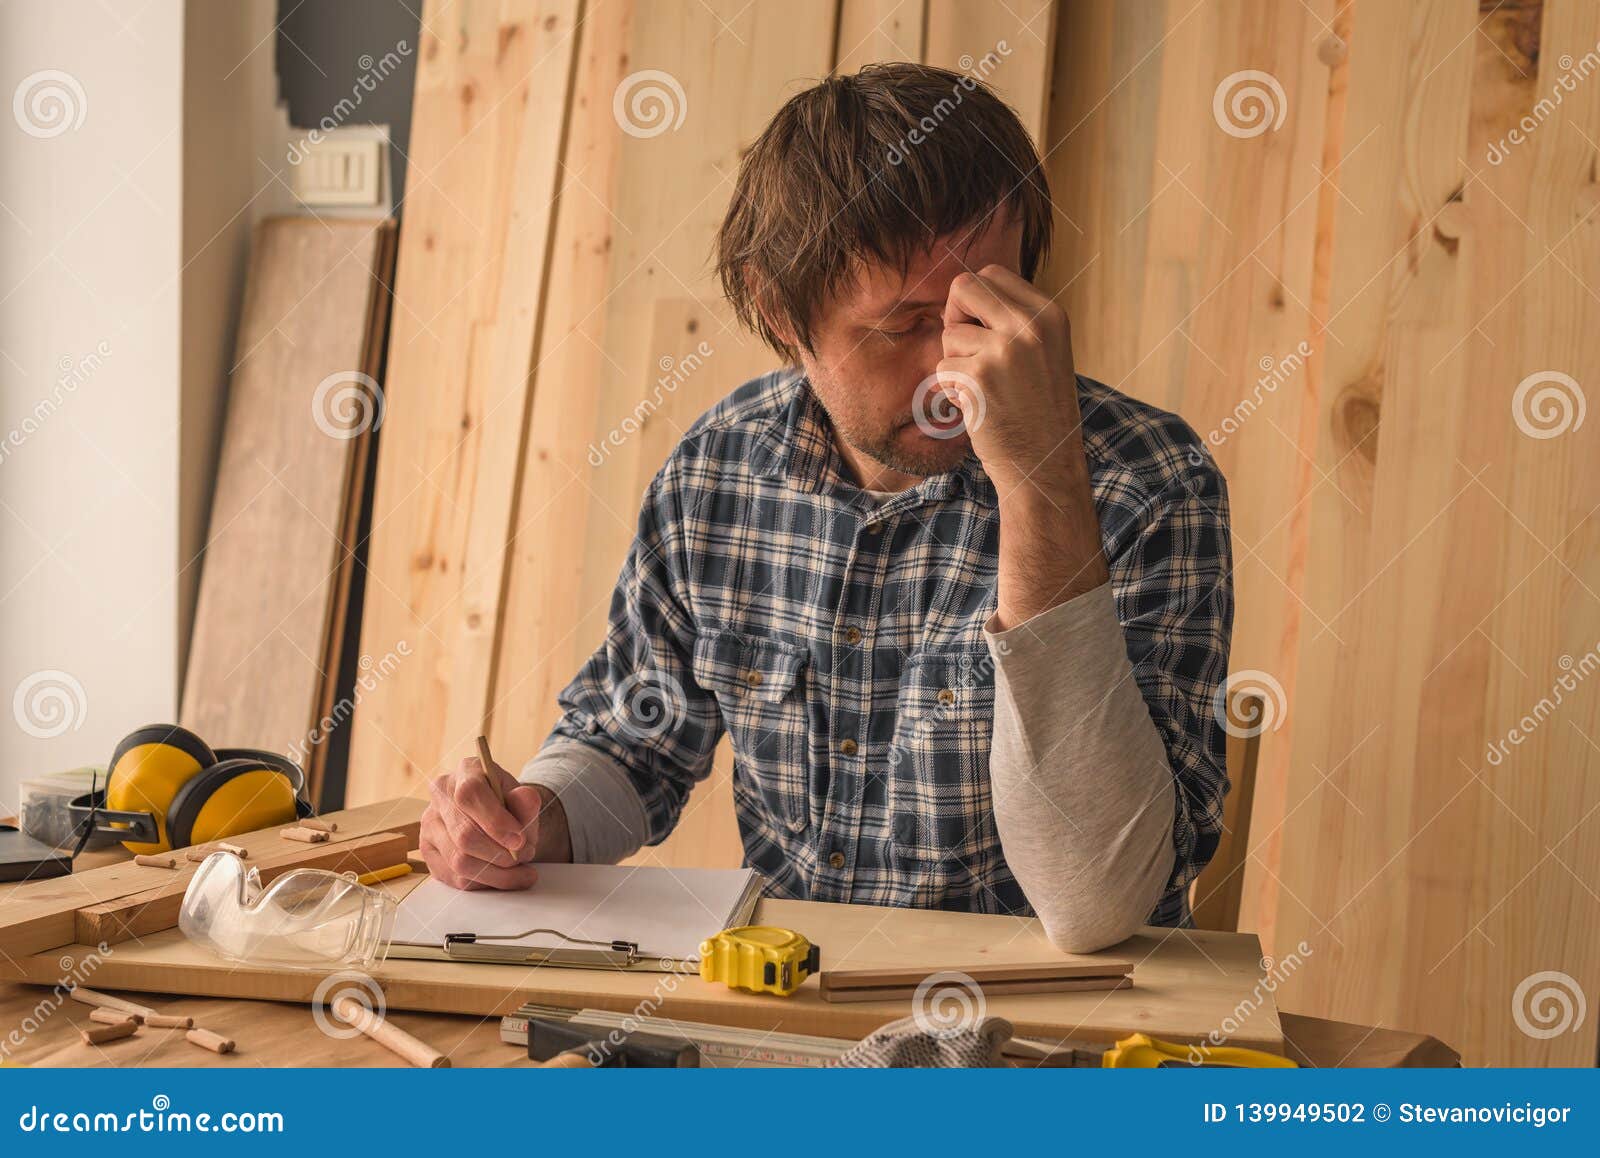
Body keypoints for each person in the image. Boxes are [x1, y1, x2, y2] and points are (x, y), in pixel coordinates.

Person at [419, 62, 1232, 952]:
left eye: (983, 308)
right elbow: (630, 740)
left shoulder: (1148, 483)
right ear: (779, 309)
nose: (954, 370)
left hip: (1043, 1050)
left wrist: (1039, 482)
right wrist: (532, 820)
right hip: (790, 1021)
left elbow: (1098, 901)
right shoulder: (721, 469)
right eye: (904, 325)